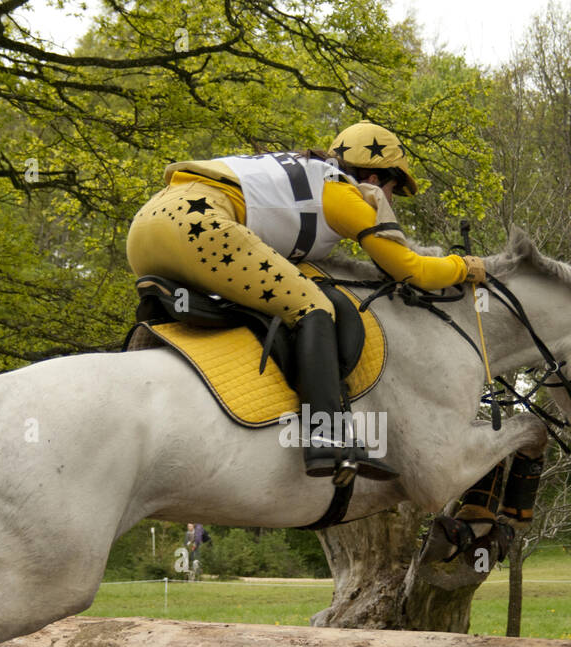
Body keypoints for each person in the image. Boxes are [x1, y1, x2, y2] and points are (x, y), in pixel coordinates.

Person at [125, 122, 485, 481]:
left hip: (146, 228)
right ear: (373, 179)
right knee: (313, 307)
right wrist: (466, 267)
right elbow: (411, 270)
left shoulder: (302, 175)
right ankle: (327, 434)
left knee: (276, 296)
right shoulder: (341, 192)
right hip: (197, 223)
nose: (389, 203)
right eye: (392, 191)